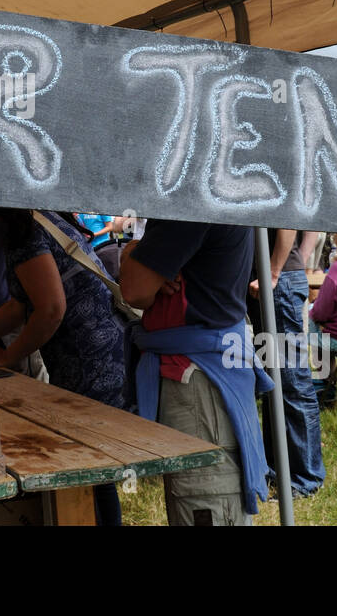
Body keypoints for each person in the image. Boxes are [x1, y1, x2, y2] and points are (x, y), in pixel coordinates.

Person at [0, 207, 125, 524]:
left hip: (89, 359)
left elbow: (51, 307)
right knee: (95, 468)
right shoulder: (37, 219)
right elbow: (21, 305)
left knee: (90, 466)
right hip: (95, 352)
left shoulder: (24, 234)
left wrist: (8, 355)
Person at [118, 221, 271, 526]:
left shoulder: (190, 204)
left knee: (206, 502)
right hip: (203, 375)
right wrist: (137, 253)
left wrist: (135, 255)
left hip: (200, 381)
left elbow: (135, 289)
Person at [246, 229, 324, 498]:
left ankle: (306, 478)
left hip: (277, 283)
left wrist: (275, 272)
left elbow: (285, 222)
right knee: (274, 383)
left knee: (292, 382)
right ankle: (278, 469)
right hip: (273, 280)